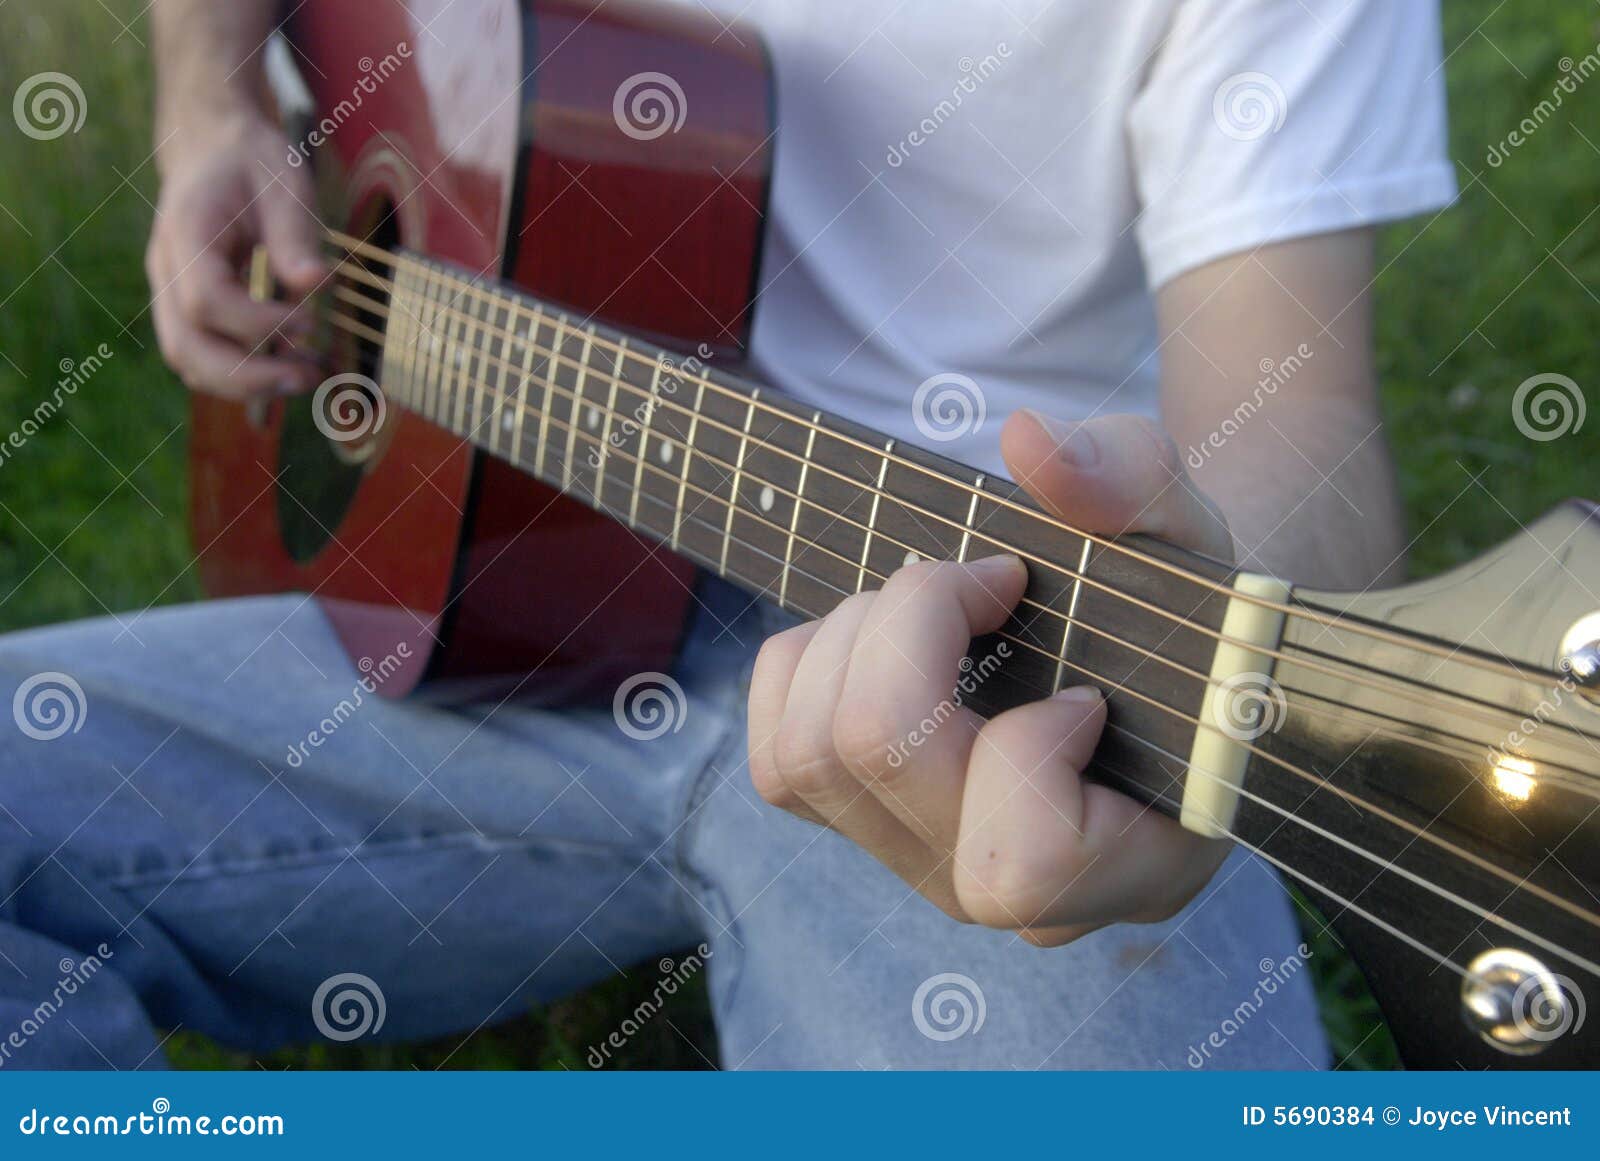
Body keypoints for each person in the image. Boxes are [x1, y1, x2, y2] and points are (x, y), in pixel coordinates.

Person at [0, 0, 1455, 1069]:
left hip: (984, 677)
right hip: (501, 587)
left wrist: (1224, 643)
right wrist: (214, 110)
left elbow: (1296, 416)